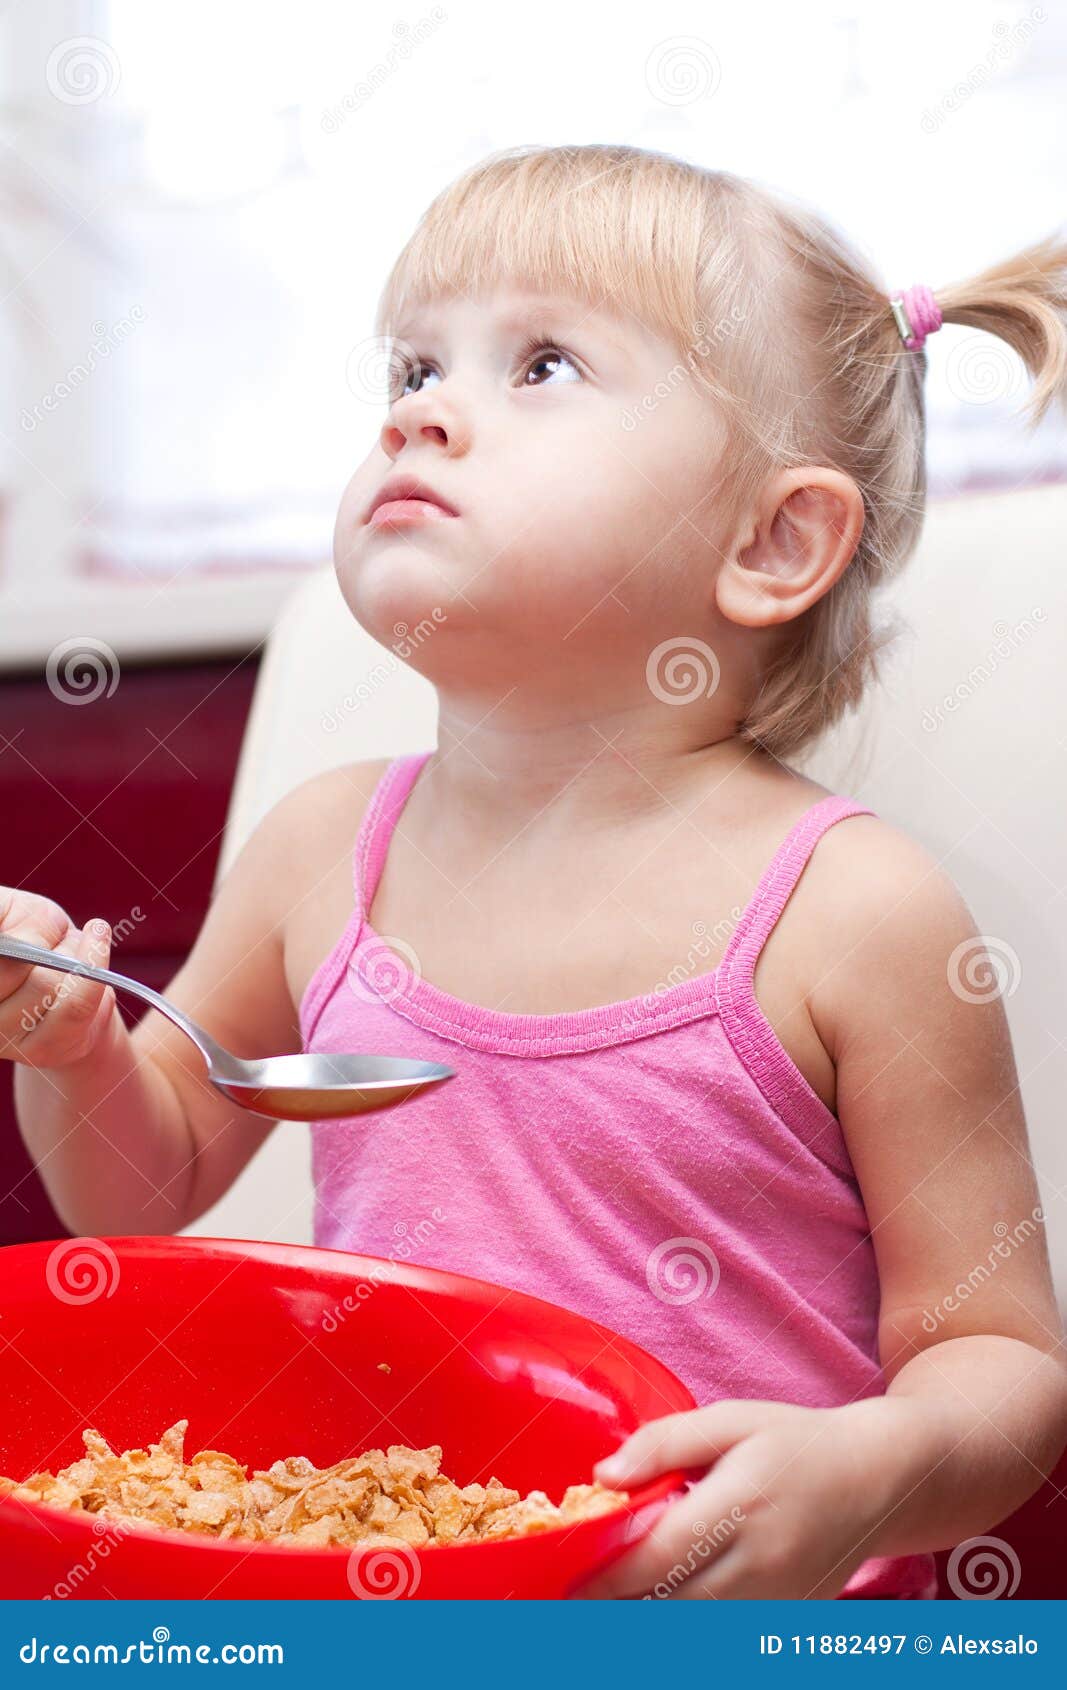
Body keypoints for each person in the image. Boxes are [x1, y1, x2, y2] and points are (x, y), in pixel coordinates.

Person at [4, 144, 1066, 1599]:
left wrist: (868, 1468)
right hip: (398, 1585)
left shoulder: (850, 916)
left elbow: (998, 1362)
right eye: (411, 367)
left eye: (544, 365)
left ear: (773, 539)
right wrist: (73, 1043)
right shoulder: (326, 848)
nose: (423, 416)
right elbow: (142, 1190)